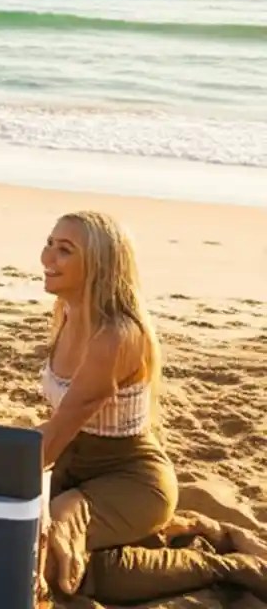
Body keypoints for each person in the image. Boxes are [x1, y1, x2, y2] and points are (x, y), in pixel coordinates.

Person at [38, 212, 266, 603]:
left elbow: (60, 430)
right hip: (73, 472)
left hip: (132, 481)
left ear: (99, 264)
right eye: (49, 243)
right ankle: (171, 536)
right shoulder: (67, 313)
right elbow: (56, 429)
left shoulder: (116, 336)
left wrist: (4, 479)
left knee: (55, 560)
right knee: (31, 539)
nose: (46, 258)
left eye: (64, 250)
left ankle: (229, 568)